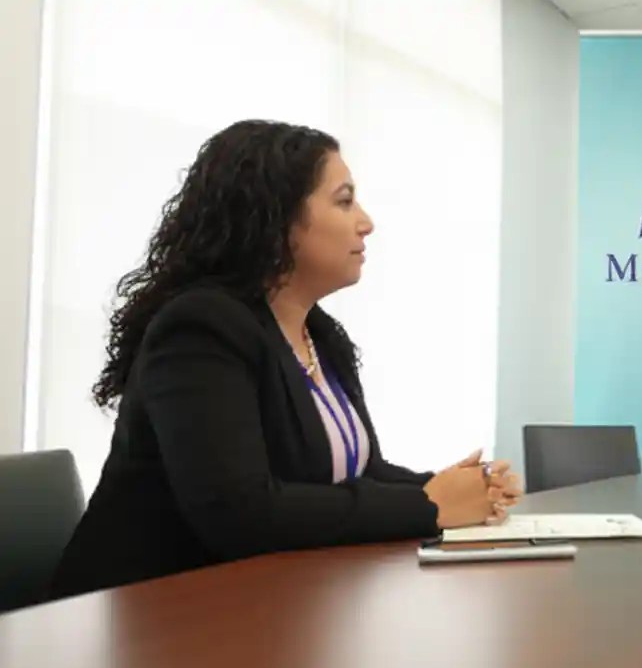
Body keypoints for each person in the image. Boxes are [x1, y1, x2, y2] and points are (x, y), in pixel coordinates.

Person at [49, 119, 521, 600]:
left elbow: (359, 473)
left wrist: (456, 489)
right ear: (276, 218)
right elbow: (241, 513)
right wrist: (428, 506)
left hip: (257, 608)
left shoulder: (320, 332)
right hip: (138, 618)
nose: (366, 221)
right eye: (344, 200)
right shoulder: (200, 328)